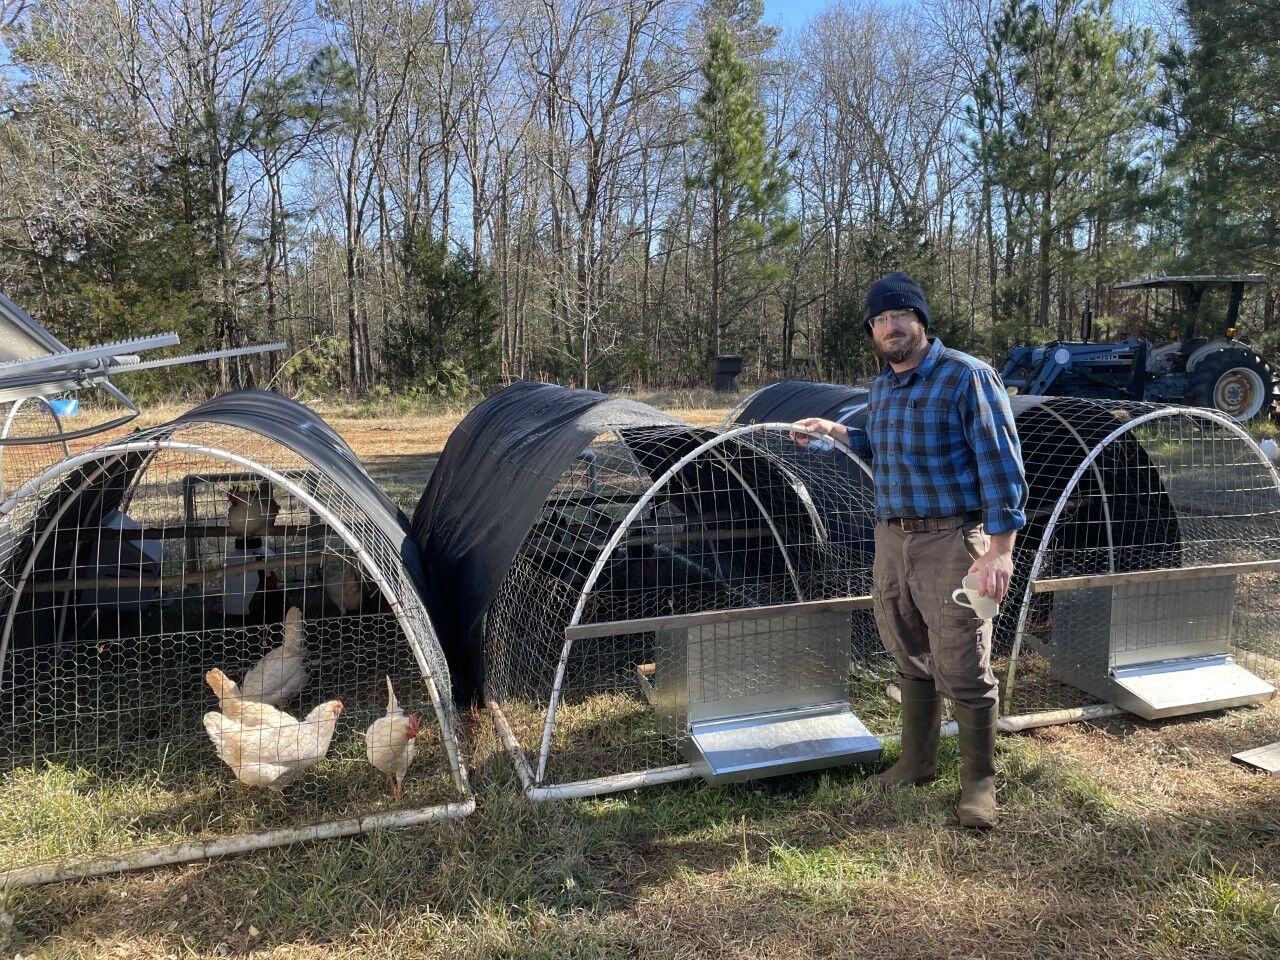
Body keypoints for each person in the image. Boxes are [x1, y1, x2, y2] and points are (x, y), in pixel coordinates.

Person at [794, 272, 1026, 829]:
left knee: (963, 655)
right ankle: (918, 762)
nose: (891, 327)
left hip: (954, 540)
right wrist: (835, 431)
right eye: (879, 319)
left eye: (900, 315)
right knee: (906, 645)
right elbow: (879, 443)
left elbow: (1001, 465)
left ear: (921, 320)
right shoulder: (883, 388)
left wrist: (998, 550)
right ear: (872, 331)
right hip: (892, 537)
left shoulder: (966, 377)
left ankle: (979, 784)